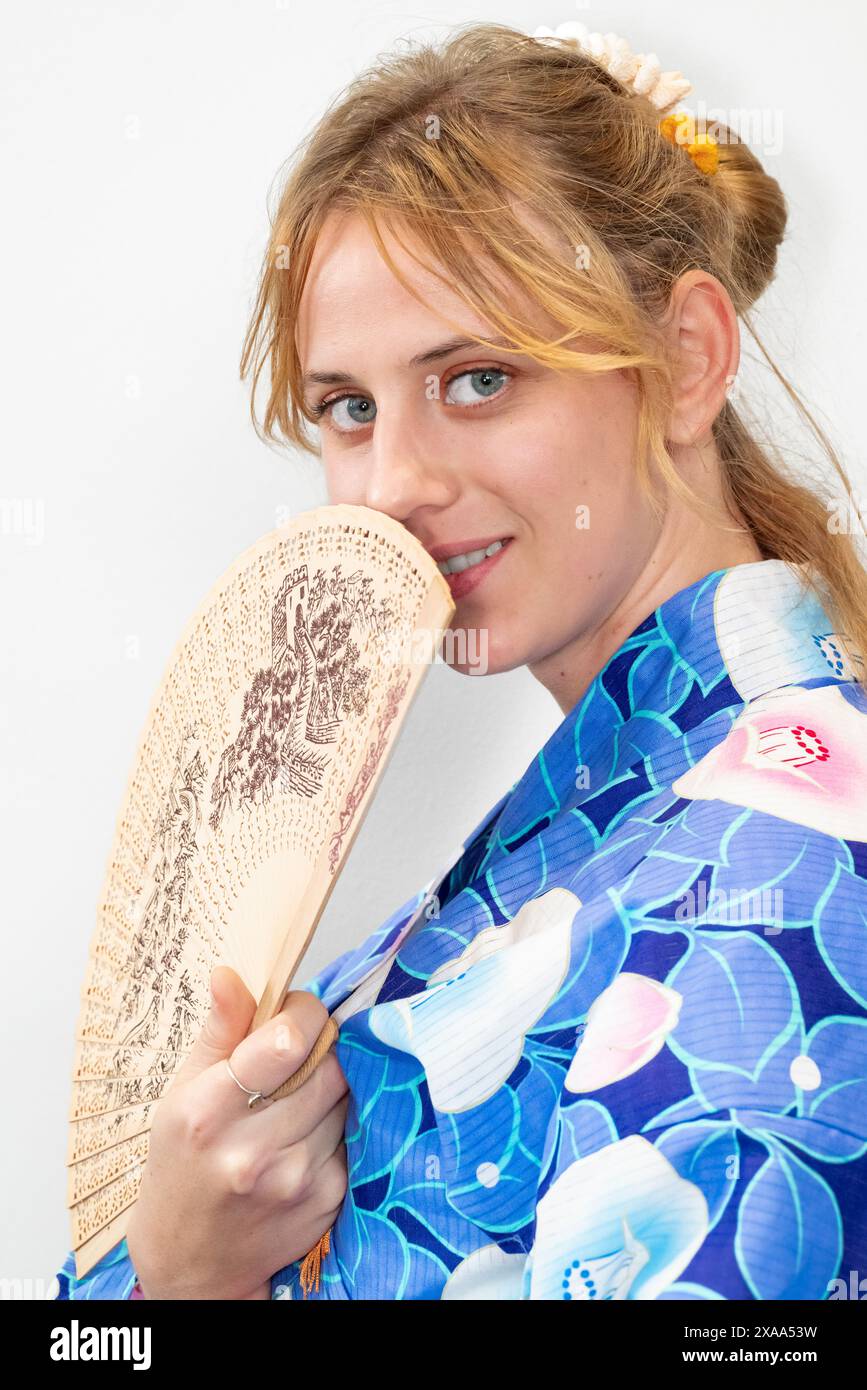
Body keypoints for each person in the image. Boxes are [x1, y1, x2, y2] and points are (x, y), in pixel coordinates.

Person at [55, 20, 867, 1300]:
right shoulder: (587, 835)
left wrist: (190, 1288)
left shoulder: (774, 889)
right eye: (348, 407)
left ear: (690, 360)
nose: (396, 486)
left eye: (479, 378)